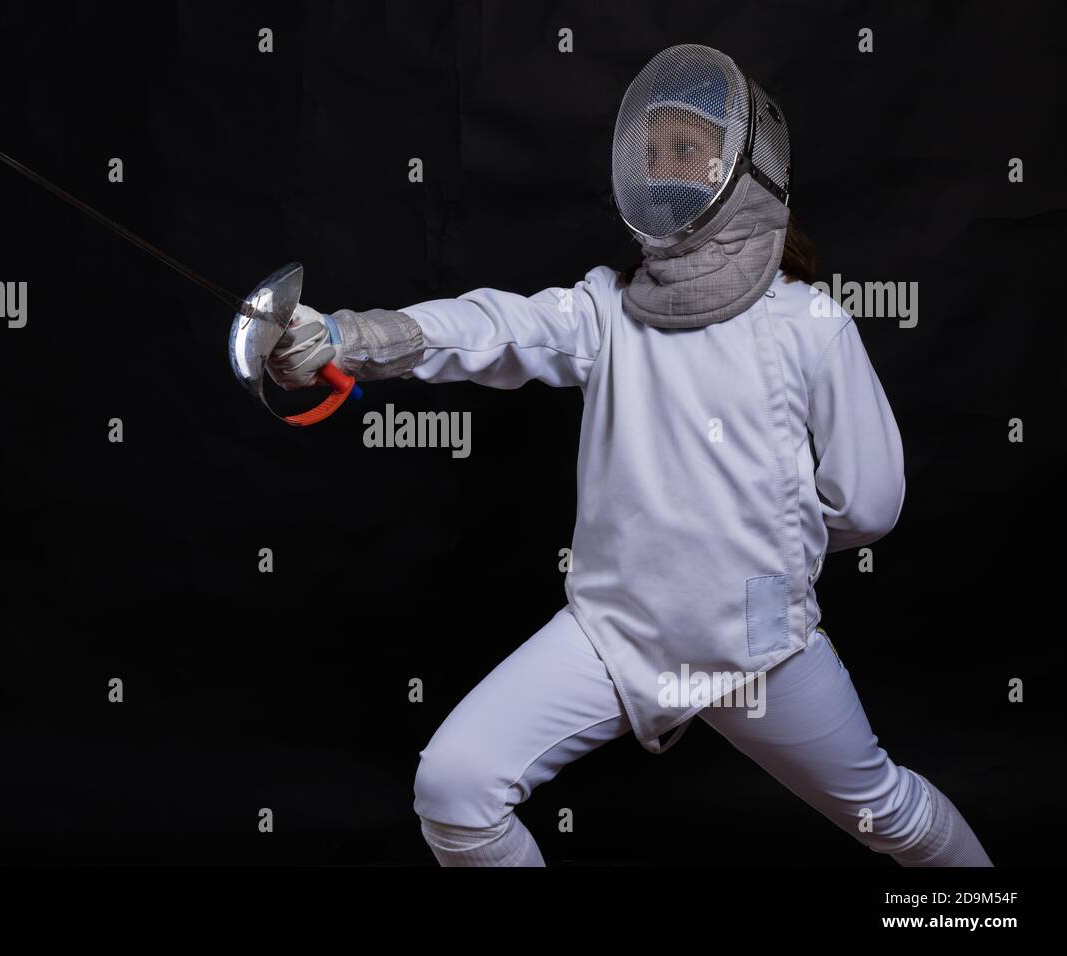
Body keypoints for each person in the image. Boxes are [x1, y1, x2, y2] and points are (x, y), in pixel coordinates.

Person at [266, 44, 993, 868]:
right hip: (614, 635)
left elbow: (870, 503)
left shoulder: (809, 324)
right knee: (456, 788)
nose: (661, 167)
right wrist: (354, 338)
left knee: (884, 811)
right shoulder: (605, 311)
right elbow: (498, 327)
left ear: (739, 167)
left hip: (755, 650)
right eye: (651, 151)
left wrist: (764, 552)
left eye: (683, 148)